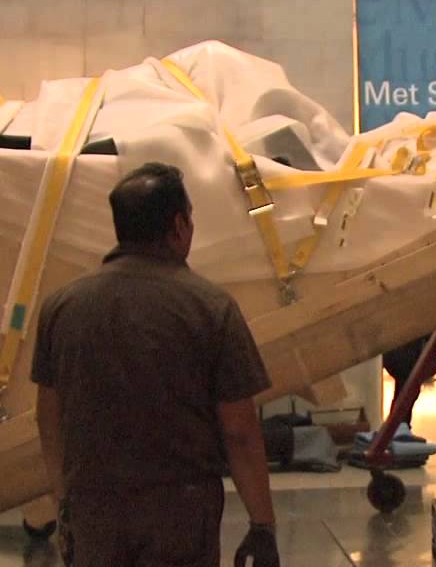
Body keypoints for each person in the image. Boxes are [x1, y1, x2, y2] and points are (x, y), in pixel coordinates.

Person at [31, 162, 280, 567]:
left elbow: (48, 419)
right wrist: (262, 524)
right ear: (179, 226)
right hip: (180, 512)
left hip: (94, 511)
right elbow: (239, 431)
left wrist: (66, 504)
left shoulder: (61, 307)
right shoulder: (210, 307)